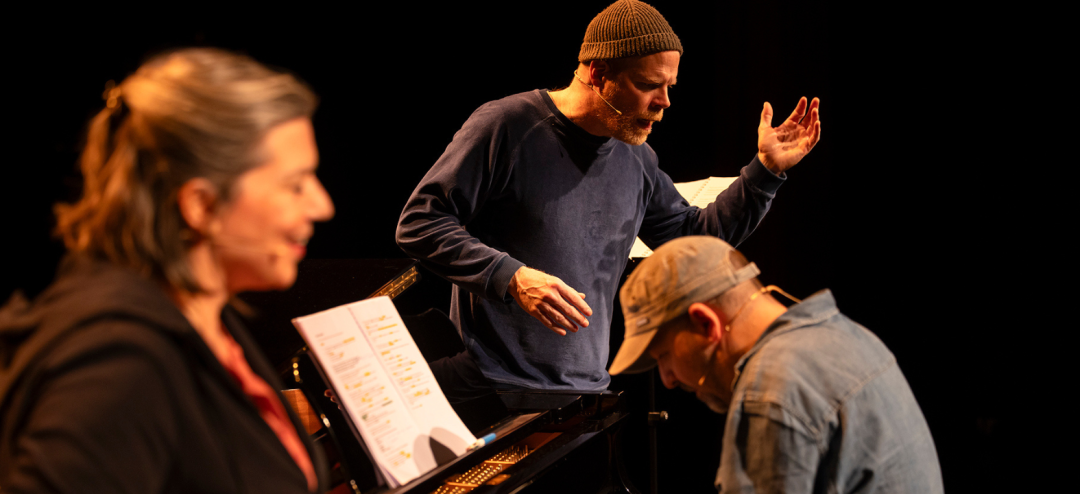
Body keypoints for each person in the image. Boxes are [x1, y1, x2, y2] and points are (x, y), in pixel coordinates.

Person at [396, 0, 821, 392]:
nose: (664, 102)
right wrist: (513, 277)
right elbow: (420, 222)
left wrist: (765, 173)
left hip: (585, 396)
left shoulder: (637, 158)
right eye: (649, 85)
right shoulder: (508, 127)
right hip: (492, 387)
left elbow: (695, 242)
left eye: (670, 86)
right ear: (598, 74)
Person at [0, 48, 335, 493]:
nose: (322, 206)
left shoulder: (199, 316)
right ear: (201, 205)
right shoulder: (120, 360)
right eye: (295, 185)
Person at [609, 236, 943, 492]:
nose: (666, 380)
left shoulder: (771, 390)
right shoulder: (847, 335)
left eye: (662, 354)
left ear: (705, 324)